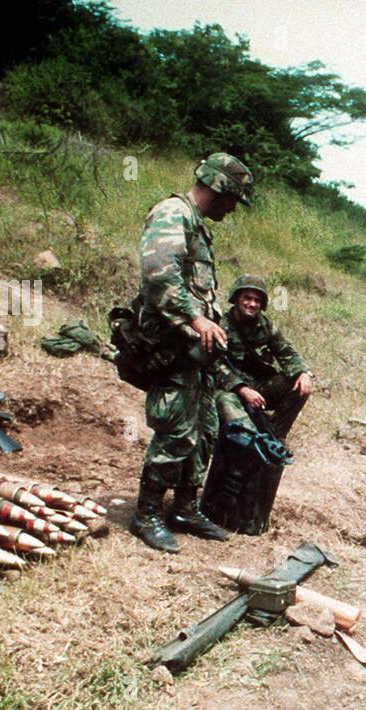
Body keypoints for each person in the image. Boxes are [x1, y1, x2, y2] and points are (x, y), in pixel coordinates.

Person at [129, 152, 254, 553]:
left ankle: (184, 507)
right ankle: (147, 513)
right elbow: (159, 277)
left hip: (195, 353)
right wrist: (196, 321)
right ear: (218, 188)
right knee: (176, 429)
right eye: (233, 198)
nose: (233, 208)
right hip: (173, 346)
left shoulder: (196, 226)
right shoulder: (172, 214)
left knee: (205, 430)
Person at [214, 274, 314, 442]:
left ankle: (275, 436)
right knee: (240, 430)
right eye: (247, 298)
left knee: (299, 385)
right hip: (229, 390)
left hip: (259, 387)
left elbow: (286, 352)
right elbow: (214, 365)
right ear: (236, 298)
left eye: (257, 300)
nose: (252, 304)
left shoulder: (265, 325)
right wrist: (243, 390)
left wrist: (303, 373)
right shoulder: (219, 326)